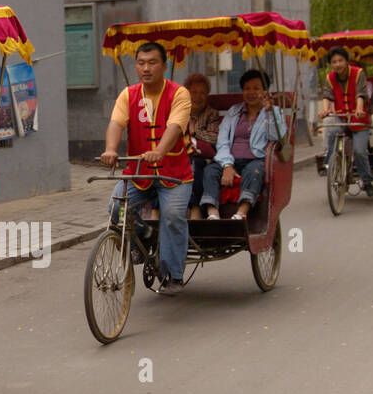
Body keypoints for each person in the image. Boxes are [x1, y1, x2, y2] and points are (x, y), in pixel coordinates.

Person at [100, 41, 192, 295]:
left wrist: (159, 151)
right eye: (141, 63)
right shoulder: (128, 94)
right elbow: (116, 123)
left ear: (164, 66)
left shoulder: (179, 94)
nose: (146, 68)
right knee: (116, 209)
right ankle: (143, 233)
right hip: (138, 174)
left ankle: (173, 274)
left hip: (173, 175)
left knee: (173, 216)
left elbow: (174, 127)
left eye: (152, 63)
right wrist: (110, 149)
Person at [200, 69, 283, 221]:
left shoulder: (272, 112)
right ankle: (213, 213)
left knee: (255, 171)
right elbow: (223, 140)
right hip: (230, 159)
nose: (251, 92)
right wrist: (227, 165)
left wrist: (270, 112)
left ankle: (241, 212)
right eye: (247, 88)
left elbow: (276, 136)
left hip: (255, 159)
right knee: (210, 170)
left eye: (256, 88)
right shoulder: (234, 111)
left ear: (265, 91)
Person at [317, 46, 373, 197]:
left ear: (347, 61)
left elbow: (361, 94)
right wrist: (325, 110)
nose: (337, 64)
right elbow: (327, 95)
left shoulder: (358, 73)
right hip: (341, 116)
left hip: (358, 117)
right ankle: (329, 163)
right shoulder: (330, 77)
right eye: (334, 62)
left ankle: (367, 180)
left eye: (340, 60)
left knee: (359, 151)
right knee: (333, 131)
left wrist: (360, 110)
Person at [183, 72, 221, 220]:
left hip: (203, 156)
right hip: (181, 154)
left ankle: (195, 208)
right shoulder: (180, 111)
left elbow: (213, 137)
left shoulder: (212, 114)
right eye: (194, 92)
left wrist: (194, 132)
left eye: (202, 93)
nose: (197, 97)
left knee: (195, 164)